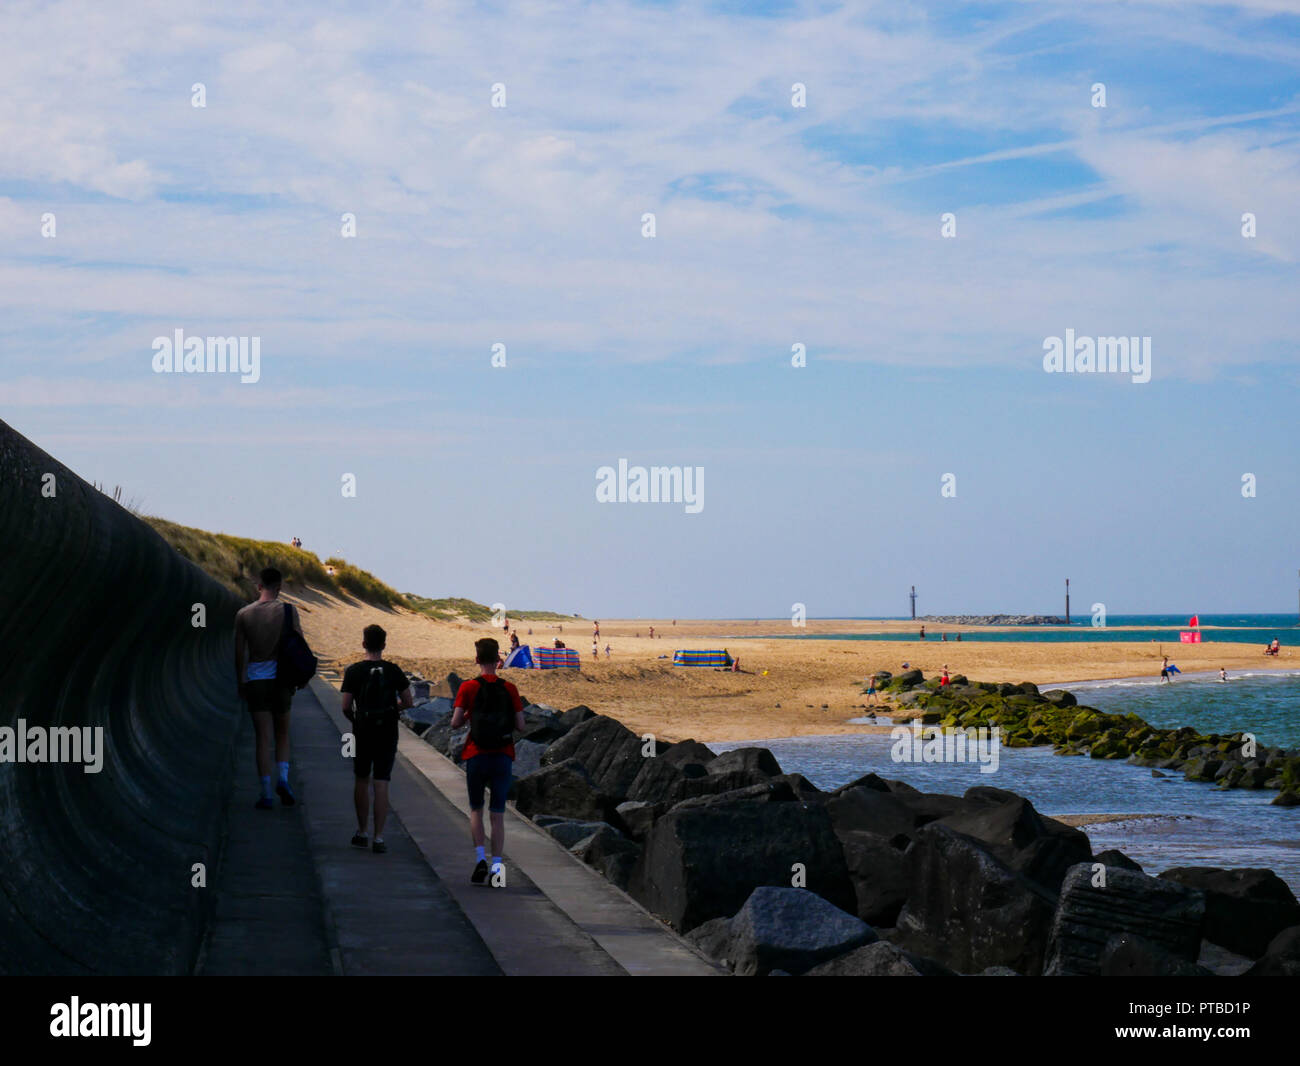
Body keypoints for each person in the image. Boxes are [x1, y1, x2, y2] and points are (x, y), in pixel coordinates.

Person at [451, 638, 526, 886]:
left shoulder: (468, 687)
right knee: (497, 814)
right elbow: (521, 725)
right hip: (503, 755)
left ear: (476, 660)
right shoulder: (510, 688)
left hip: (476, 753)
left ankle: (480, 858)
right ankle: (497, 867)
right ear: (499, 660)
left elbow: (455, 722)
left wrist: (471, 715)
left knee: (475, 810)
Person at [234, 567, 303, 810]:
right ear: (280, 588)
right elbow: (298, 644)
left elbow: (239, 653)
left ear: (259, 586)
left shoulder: (244, 614)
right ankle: (282, 779)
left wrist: (241, 682)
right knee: (282, 733)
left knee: (262, 738)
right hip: (282, 679)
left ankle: (265, 794)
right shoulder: (287, 611)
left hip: (256, 679)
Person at [340, 625, 412, 854]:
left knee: (361, 779)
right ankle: (379, 838)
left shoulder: (354, 671)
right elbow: (408, 701)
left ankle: (362, 832)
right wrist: (393, 709)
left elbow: (344, 706)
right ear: (384, 645)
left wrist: (356, 719)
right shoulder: (393, 670)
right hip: (387, 730)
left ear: (364, 644)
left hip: (362, 729)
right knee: (382, 782)